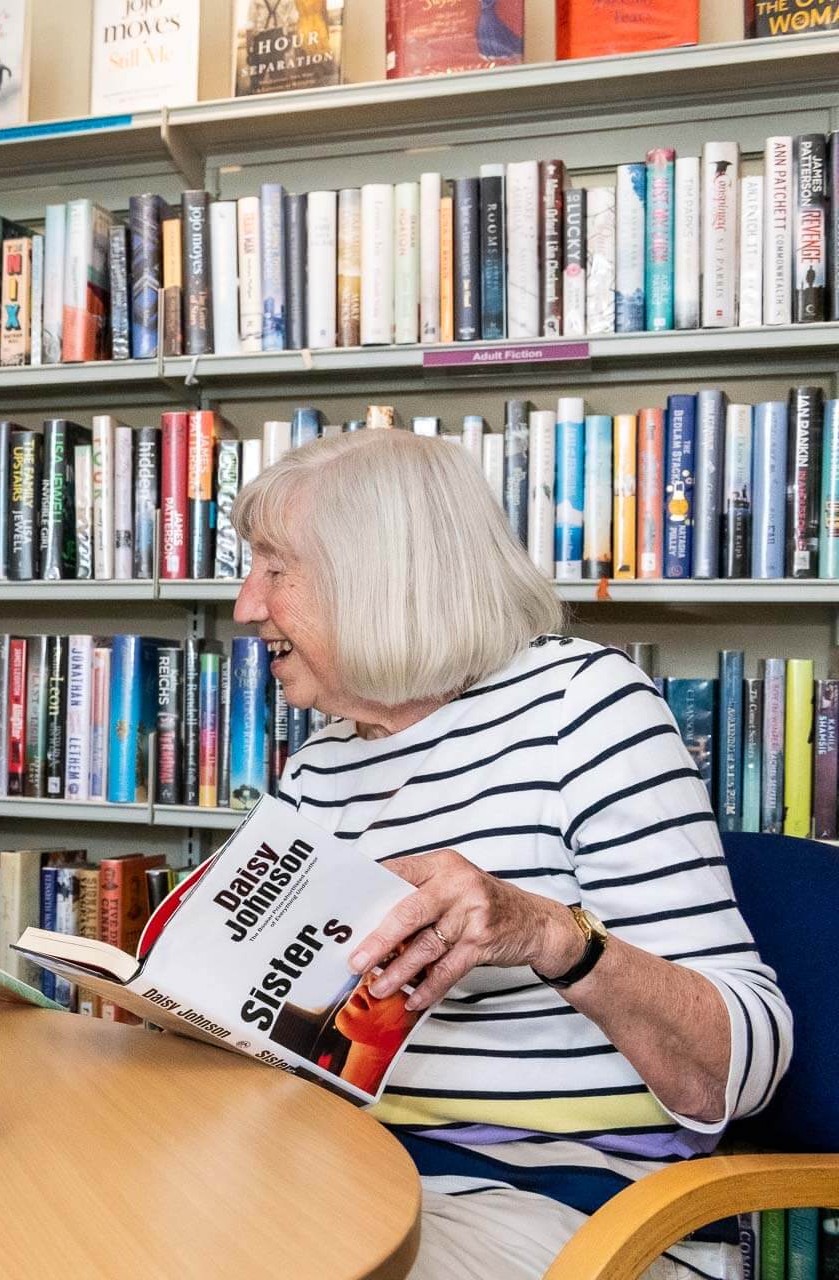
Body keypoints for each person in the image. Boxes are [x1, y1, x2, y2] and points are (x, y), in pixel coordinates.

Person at [230, 429, 791, 1280]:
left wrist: (547, 933)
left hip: (569, 1210)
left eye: (275, 568)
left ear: (380, 574)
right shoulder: (316, 771)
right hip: (346, 1177)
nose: (245, 606)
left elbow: (741, 1070)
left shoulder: (585, 709)